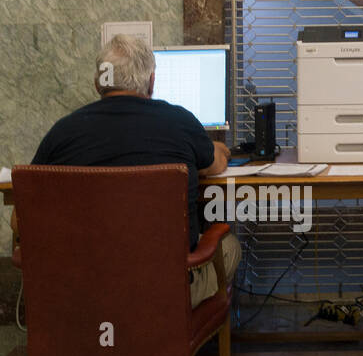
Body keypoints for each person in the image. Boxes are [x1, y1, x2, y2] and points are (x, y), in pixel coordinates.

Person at [18, 34, 241, 308]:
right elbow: (215, 164)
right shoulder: (179, 121)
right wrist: (219, 149)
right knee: (229, 246)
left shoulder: (62, 133)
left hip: (84, 289)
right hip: (167, 287)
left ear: (98, 82)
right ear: (151, 82)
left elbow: (22, 217)